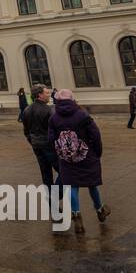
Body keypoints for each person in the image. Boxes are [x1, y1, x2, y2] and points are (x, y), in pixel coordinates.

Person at [47, 88, 109, 234]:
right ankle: (100, 210)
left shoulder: (54, 118)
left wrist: (60, 153)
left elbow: (50, 140)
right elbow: (95, 134)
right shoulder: (82, 115)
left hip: (67, 158)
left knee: (71, 186)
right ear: (72, 99)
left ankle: (77, 216)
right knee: (92, 185)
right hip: (86, 155)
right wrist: (97, 152)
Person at [22, 84, 57, 190]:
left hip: (36, 145)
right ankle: (58, 193)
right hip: (49, 145)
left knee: (46, 174)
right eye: (46, 93)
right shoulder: (49, 110)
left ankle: (52, 203)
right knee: (63, 171)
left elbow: (26, 130)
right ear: (39, 95)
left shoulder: (26, 110)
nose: (49, 95)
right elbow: (54, 129)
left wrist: (32, 140)